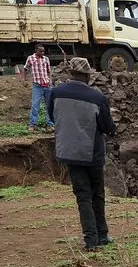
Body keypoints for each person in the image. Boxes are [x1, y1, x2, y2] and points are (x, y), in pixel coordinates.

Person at [49, 58, 116, 252]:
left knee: (83, 196)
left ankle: (90, 240)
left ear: (71, 73)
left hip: (68, 152)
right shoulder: (97, 98)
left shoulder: (56, 93)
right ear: (87, 76)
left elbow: (53, 116)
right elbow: (108, 127)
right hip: (92, 152)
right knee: (97, 194)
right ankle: (101, 236)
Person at [23, 44, 54, 131]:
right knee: (35, 105)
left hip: (47, 85)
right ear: (36, 50)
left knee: (49, 105)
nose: (42, 53)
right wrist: (24, 80)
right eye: (40, 51)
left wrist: (50, 81)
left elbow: (48, 71)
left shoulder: (46, 59)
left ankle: (50, 124)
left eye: (43, 51)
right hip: (37, 85)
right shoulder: (31, 58)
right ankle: (32, 124)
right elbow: (26, 68)